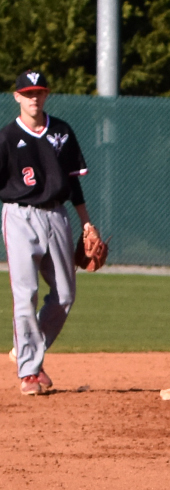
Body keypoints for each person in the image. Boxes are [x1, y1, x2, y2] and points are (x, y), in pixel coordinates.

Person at [2, 70, 97, 396]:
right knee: (25, 294)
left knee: (66, 295)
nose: (33, 98)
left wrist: (86, 222)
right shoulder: (6, 137)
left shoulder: (62, 131)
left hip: (57, 216)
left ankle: (28, 350)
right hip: (19, 217)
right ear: (16, 97)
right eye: (27, 93)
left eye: (39, 92)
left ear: (46, 95)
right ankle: (29, 372)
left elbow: (73, 182)